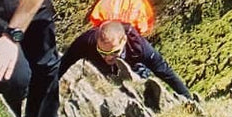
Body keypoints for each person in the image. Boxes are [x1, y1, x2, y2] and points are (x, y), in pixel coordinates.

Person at [60, 20, 194, 102]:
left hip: (134, 66)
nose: (108, 57)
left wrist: (189, 100)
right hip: (104, 73)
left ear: (124, 40)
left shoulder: (139, 47)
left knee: (142, 79)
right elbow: (62, 65)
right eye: (102, 52)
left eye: (114, 52)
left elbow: (165, 72)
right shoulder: (85, 42)